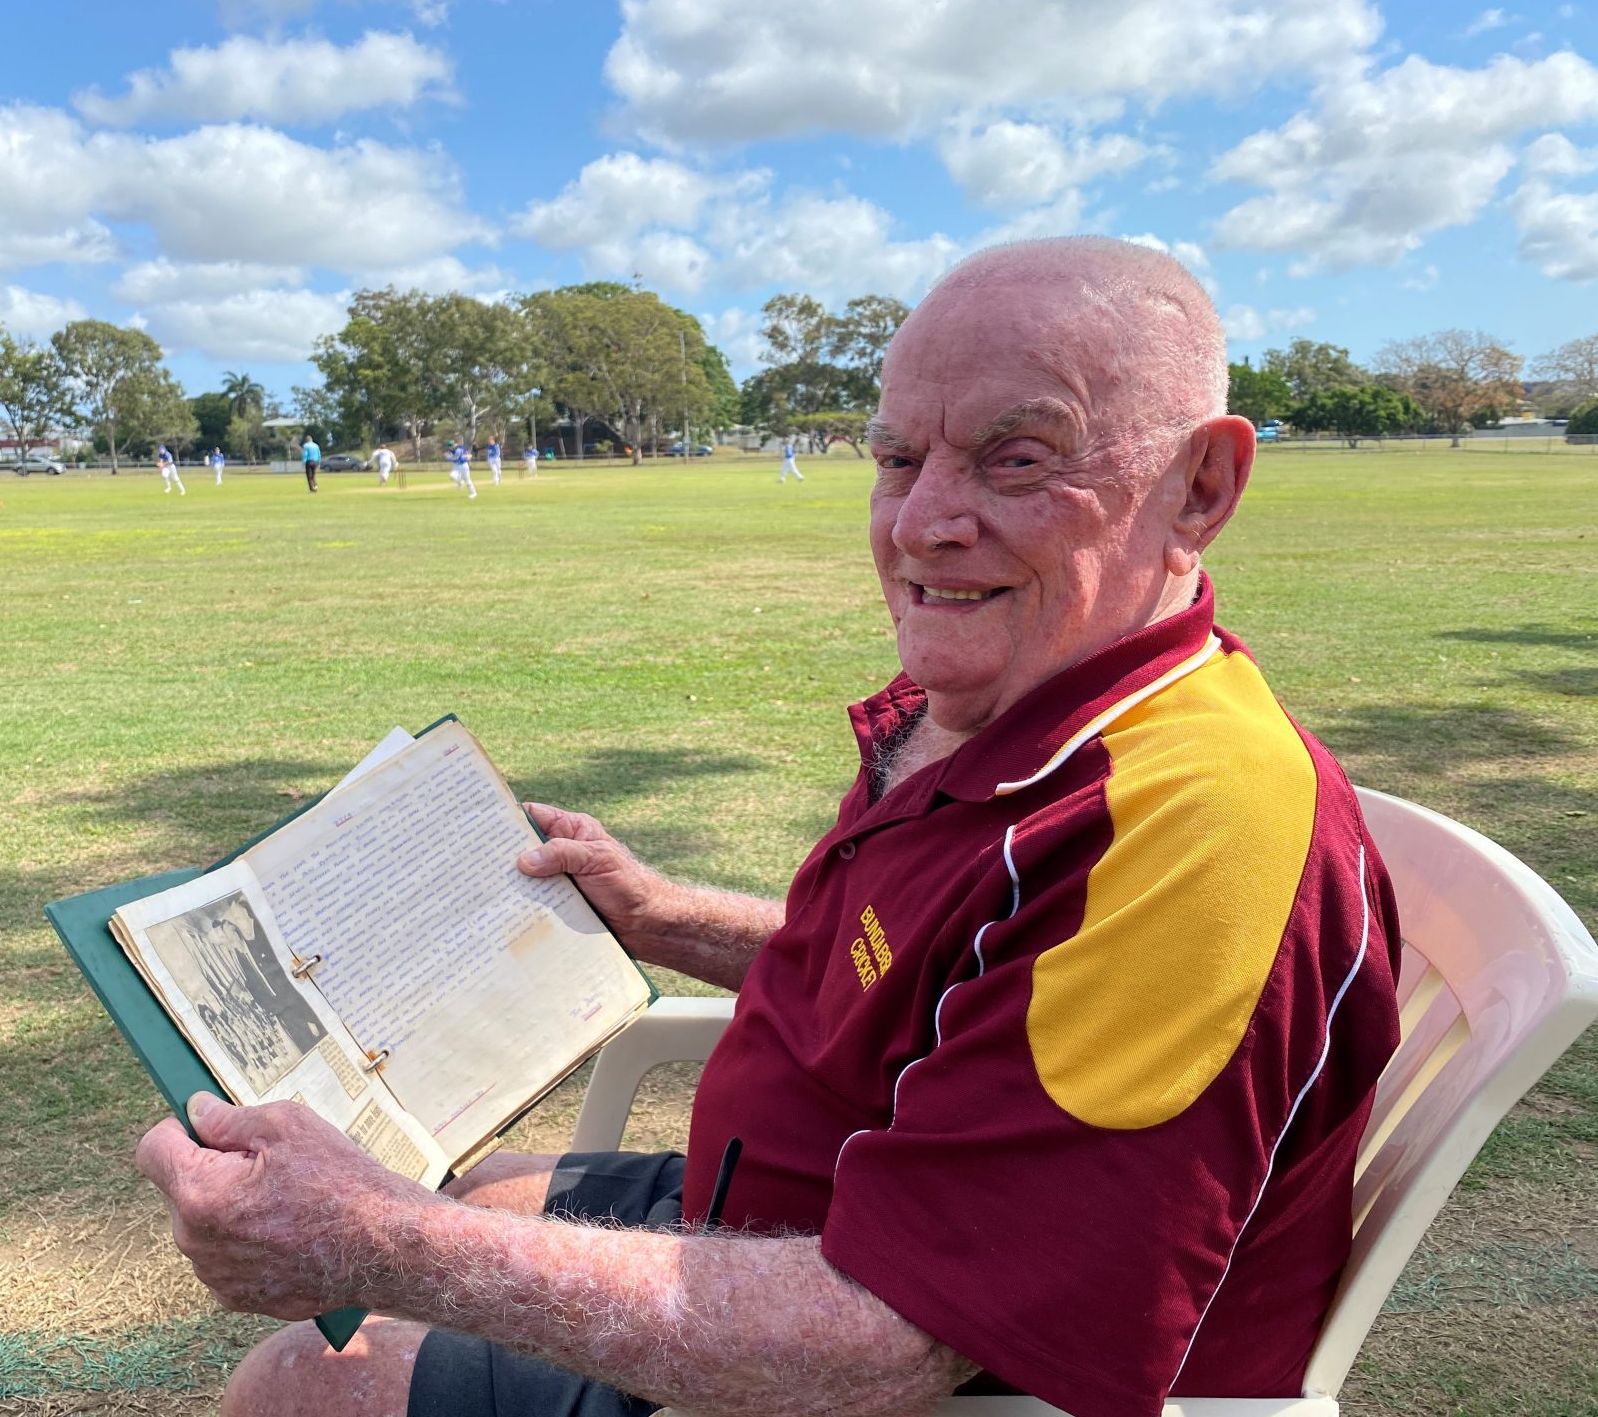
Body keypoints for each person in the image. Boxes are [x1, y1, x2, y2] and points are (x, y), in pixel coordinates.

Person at [136, 237, 1403, 1417]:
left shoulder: (1183, 824)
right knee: (473, 1186)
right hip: (795, 1204)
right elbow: (930, 987)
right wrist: (661, 915)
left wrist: (378, 1246)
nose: (920, 524)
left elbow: (896, 1334)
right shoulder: (1022, 710)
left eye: (1018, 457)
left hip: (896, 1357)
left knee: (307, 1378)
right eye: (899, 458)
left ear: (1202, 485)